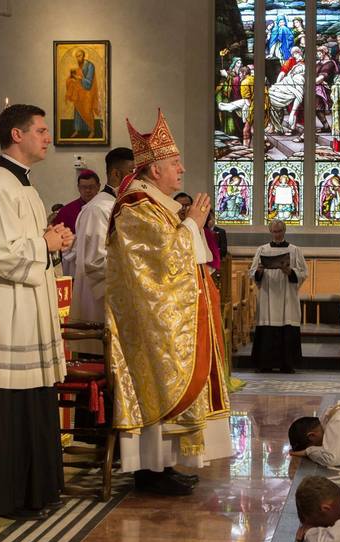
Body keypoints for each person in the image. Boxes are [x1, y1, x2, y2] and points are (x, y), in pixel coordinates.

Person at [0, 104, 74, 521]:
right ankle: (7, 496)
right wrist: (46, 245)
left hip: (26, 311)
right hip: (5, 316)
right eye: (41, 130)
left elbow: (26, 245)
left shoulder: (24, 187)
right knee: (9, 405)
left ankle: (33, 490)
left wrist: (50, 240)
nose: (48, 138)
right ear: (17, 136)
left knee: (32, 403)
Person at [107, 109, 231, 495]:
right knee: (156, 387)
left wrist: (190, 222)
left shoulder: (157, 203)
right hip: (150, 325)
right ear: (154, 170)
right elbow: (163, 260)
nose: (181, 168)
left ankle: (163, 465)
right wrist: (192, 222)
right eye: (174, 163)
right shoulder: (136, 206)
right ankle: (149, 469)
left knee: (172, 388)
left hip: (170, 317)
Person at [69, 148, 135, 341]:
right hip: (99, 307)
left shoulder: (117, 204)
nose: (136, 178)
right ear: (116, 174)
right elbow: (95, 262)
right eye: (132, 171)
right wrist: (133, 279)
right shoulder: (98, 209)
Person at [249, 219, 308, 373]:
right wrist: (260, 271)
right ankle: (265, 364)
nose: (277, 235)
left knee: (287, 324)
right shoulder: (262, 250)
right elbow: (252, 272)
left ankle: (287, 364)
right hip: (268, 294)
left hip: (287, 294)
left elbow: (304, 272)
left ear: (284, 231)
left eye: (280, 231)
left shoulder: (295, 250)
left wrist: (290, 272)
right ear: (270, 232)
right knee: (267, 326)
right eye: (274, 232)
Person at [52, 169, 100, 277]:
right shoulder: (66, 211)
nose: (87, 190)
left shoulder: (106, 207)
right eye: (84, 187)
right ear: (78, 188)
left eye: (91, 187)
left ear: (98, 186)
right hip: (73, 265)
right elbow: (57, 237)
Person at [65, 48, 100, 138]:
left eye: (79, 56)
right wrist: (71, 79)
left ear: (84, 56)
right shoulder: (78, 67)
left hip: (88, 93)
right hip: (79, 93)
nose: (78, 58)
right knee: (77, 111)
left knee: (87, 110)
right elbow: (73, 79)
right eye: (76, 56)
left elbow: (89, 81)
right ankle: (77, 130)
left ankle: (92, 130)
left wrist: (80, 78)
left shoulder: (90, 65)